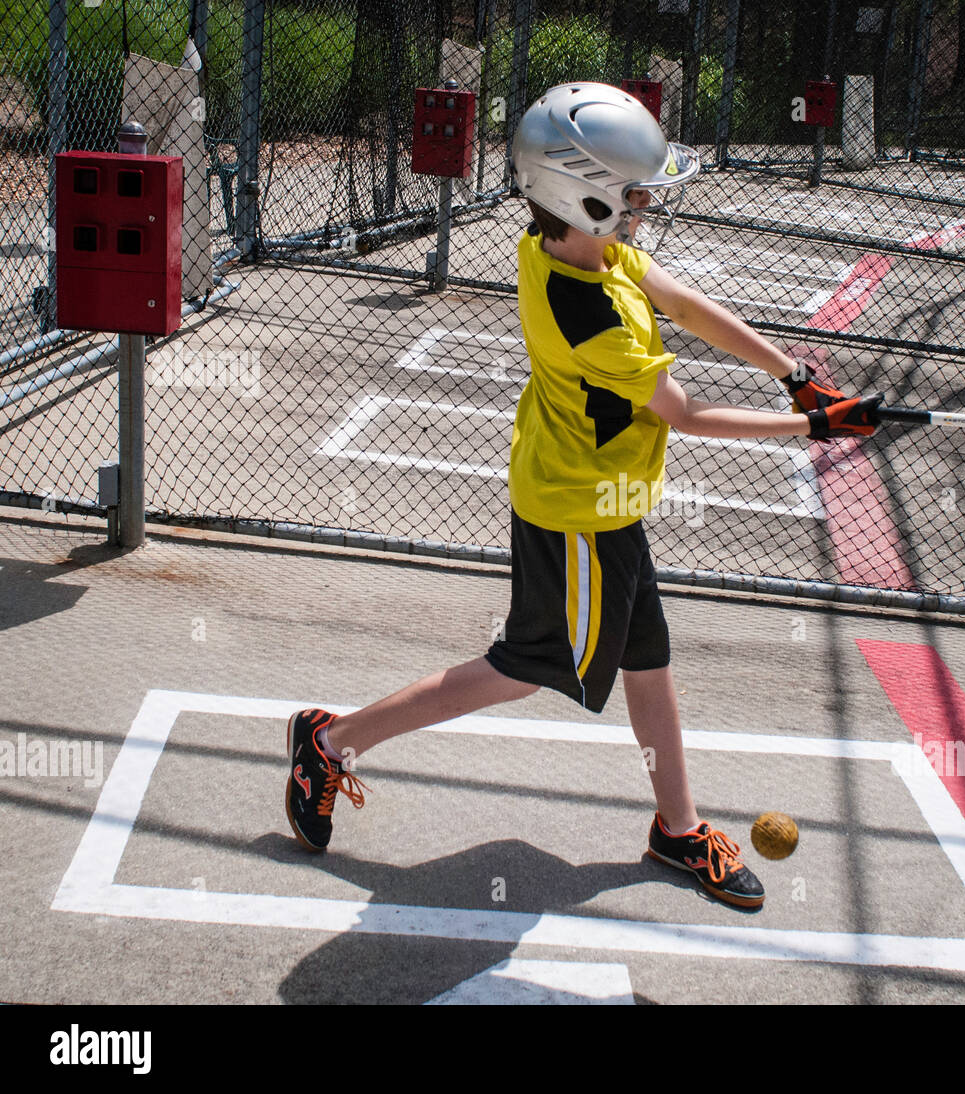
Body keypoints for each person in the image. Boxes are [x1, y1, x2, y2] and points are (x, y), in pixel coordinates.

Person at [286, 82, 880, 910]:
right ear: (585, 196)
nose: (643, 210)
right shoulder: (589, 308)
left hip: (606, 508)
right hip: (576, 518)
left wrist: (796, 376)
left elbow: (684, 301)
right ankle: (332, 741)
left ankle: (677, 827)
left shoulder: (570, 248)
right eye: (632, 196)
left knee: (648, 662)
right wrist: (811, 431)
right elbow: (686, 413)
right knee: (521, 671)